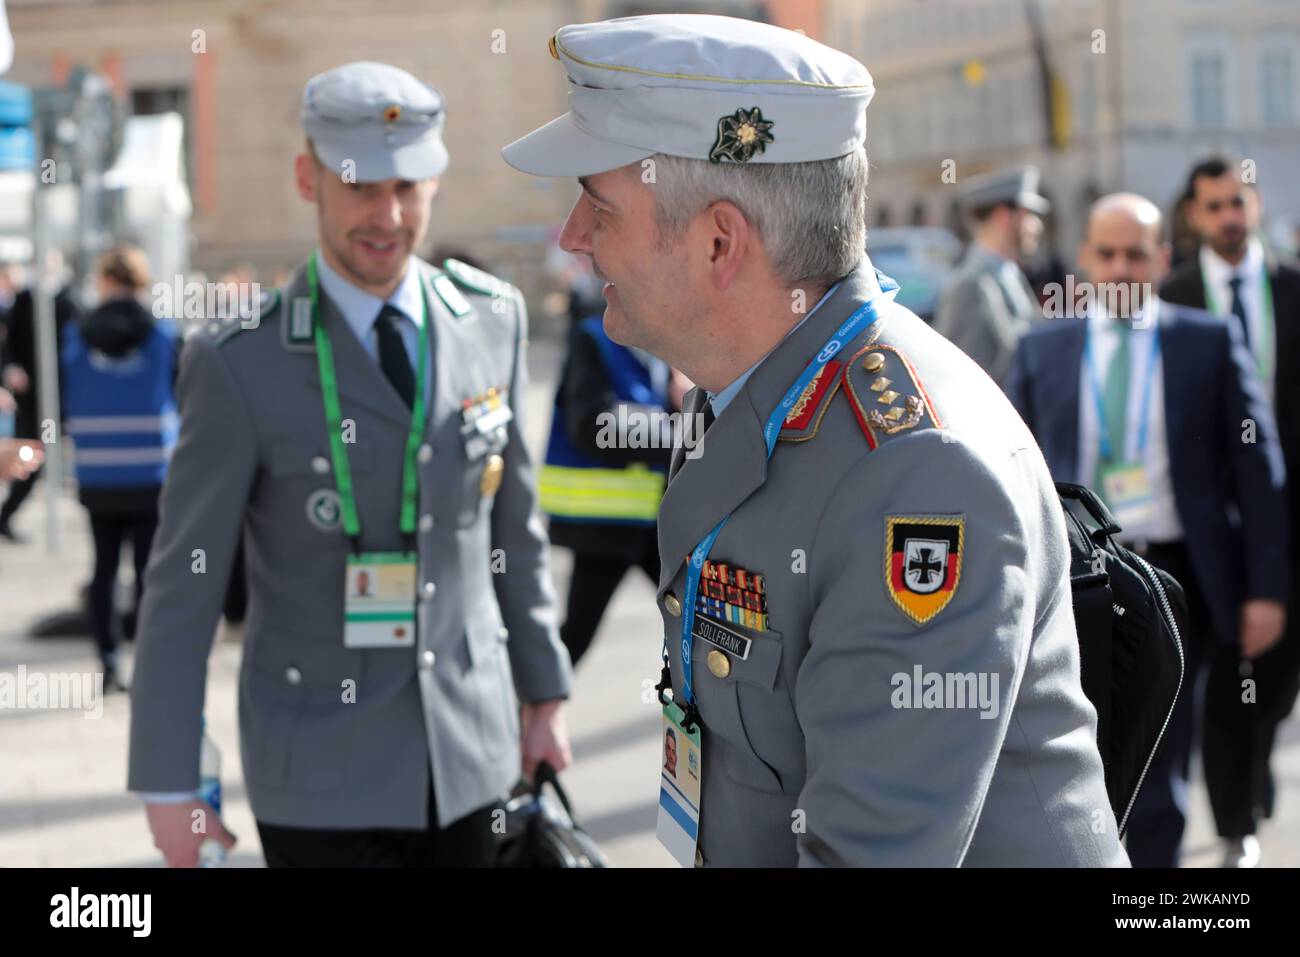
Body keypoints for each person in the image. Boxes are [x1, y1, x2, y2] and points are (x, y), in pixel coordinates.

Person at [504, 13, 1125, 867]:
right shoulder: (753, 386)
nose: (574, 234)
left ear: (720, 242)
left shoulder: (916, 473)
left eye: (598, 207)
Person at [128, 61, 573, 868]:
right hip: (317, 773)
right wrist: (170, 785)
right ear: (309, 178)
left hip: (473, 753)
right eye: (361, 184)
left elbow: (517, 530)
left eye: (409, 185)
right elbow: (183, 586)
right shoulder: (238, 361)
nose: (388, 213)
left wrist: (544, 695)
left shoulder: (489, 321)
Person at [1007, 193, 1288, 867]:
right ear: (1085, 260)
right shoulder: (1043, 347)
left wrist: (1267, 590)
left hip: (1174, 577)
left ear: (1163, 259)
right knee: (1072, 753)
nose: (1120, 266)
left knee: (1163, 759)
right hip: (1076, 577)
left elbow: (1259, 469)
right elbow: (1008, 469)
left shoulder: (1209, 341)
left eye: (1137, 252)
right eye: (1106, 252)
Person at [1160, 156, 1300, 865]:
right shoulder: (1175, 297)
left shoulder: (1291, 287)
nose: (1227, 218)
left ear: (1255, 201)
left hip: (1288, 523)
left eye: (1236, 203)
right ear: (1195, 215)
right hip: (1206, 527)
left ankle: (1257, 763)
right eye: (1212, 207)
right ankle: (1238, 821)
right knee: (1219, 681)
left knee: (1276, 678)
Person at [540, 259, 687, 667]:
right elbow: (592, 425)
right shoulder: (593, 338)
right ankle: (527, 712)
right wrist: (683, 433)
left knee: (698, 620)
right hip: (605, 525)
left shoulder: (662, 343)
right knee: (574, 638)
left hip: (654, 521)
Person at [61, 245, 179, 693]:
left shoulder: (77, 337)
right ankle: (150, 660)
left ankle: (109, 663)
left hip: (96, 473)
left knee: (103, 571)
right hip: (151, 474)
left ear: (105, 282)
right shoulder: (163, 335)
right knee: (151, 573)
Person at [933, 166, 1048, 388]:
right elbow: (966, 385)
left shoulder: (1007, 274)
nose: (1037, 226)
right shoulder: (971, 286)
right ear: (1004, 216)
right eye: (1029, 215)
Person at [0, 251, 80, 542]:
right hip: (30, 398)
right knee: (29, 453)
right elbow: (6, 345)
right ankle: (6, 515)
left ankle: (6, 515)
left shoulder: (67, 303)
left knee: (38, 453)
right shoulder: (24, 301)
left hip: (57, 399)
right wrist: (10, 370)